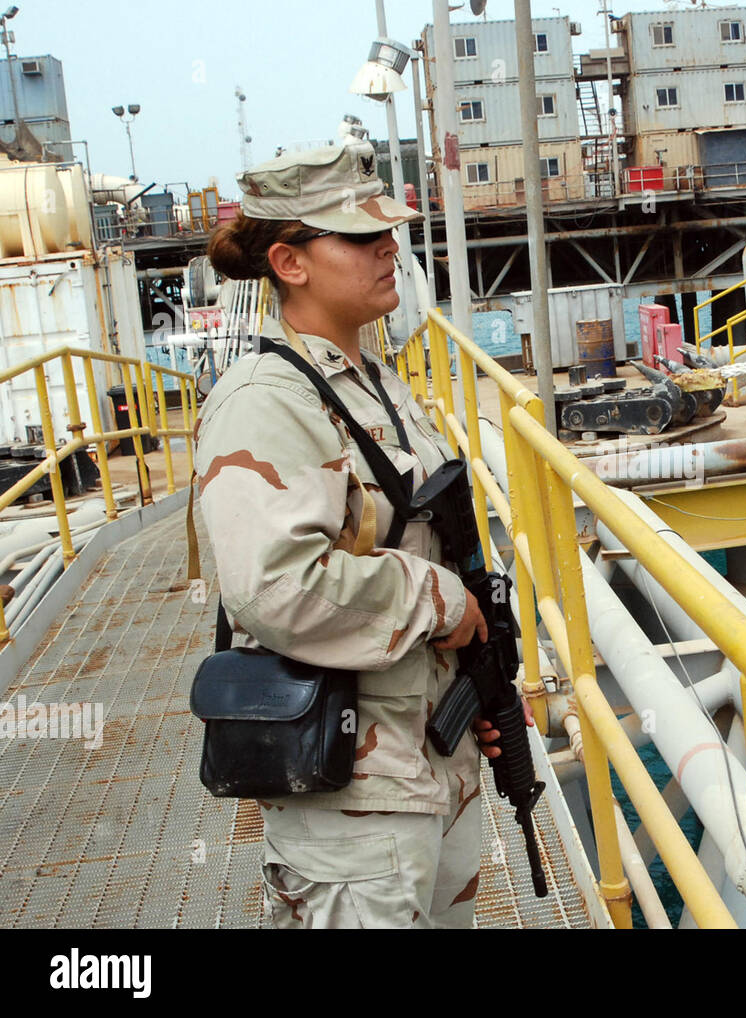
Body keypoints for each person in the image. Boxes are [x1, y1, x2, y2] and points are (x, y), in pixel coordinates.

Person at [196, 140, 519, 929]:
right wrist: (439, 602)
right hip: (352, 804)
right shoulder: (264, 400)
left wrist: (477, 677)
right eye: (358, 234)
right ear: (290, 262)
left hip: (428, 770)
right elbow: (278, 586)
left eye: (390, 230)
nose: (389, 248)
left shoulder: (375, 383)